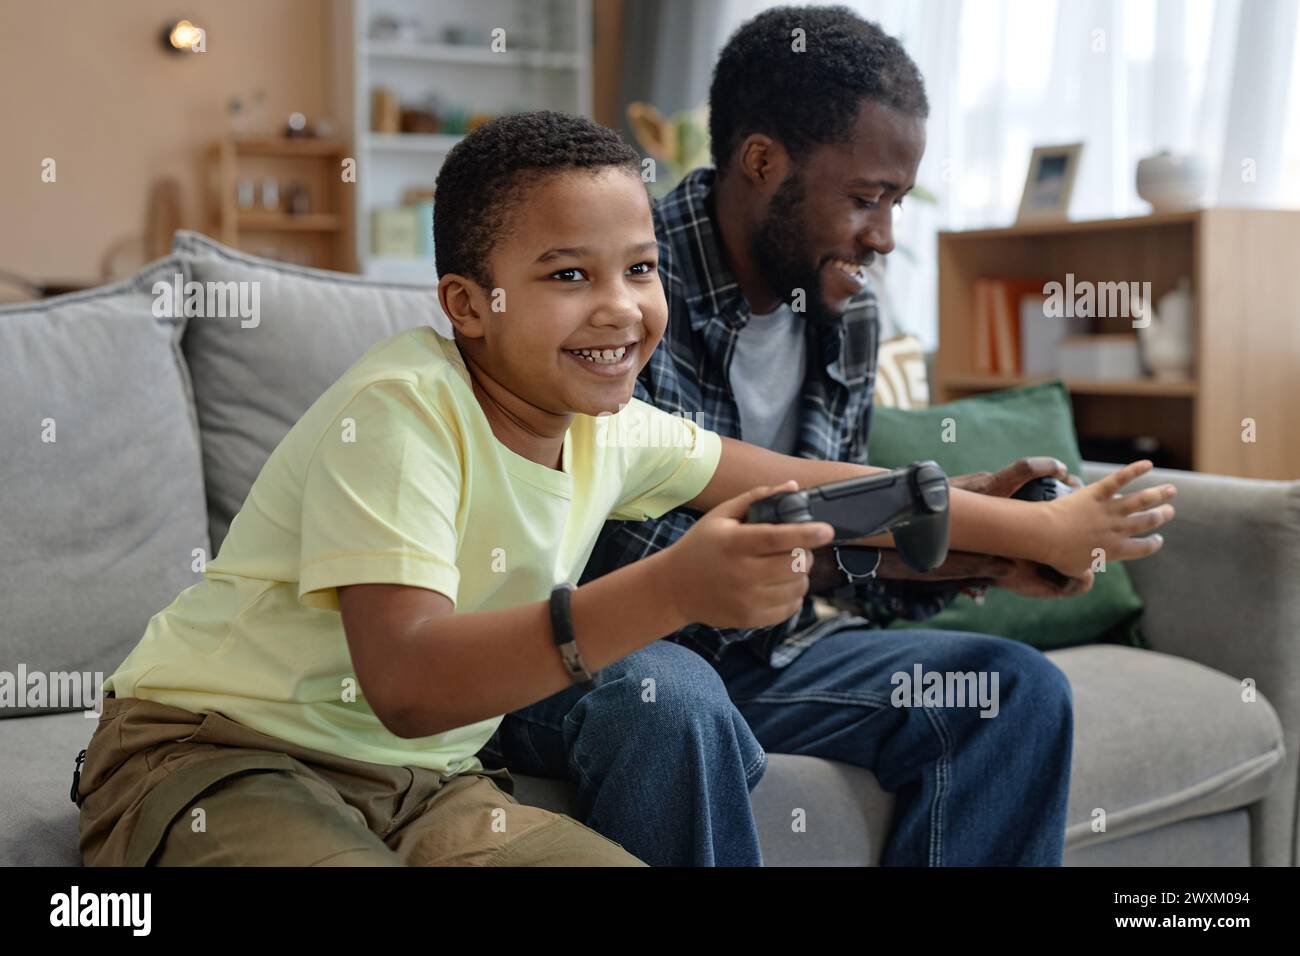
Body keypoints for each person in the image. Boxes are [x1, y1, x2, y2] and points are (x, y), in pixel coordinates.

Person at [76, 109, 1172, 868]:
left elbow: (816, 481)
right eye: (567, 276)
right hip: (219, 749)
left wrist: (1042, 522)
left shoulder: (612, 425)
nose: (622, 308)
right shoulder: (400, 409)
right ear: (468, 302)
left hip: (424, 783)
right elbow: (406, 677)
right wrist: (674, 590)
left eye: (639, 268)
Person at [480, 7, 1178, 867]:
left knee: (1013, 693)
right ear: (763, 162)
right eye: (865, 198)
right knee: (675, 695)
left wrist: (969, 551)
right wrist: (946, 515)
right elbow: (640, 555)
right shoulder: (624, 287)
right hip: (602, 647)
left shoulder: (848, 314)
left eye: (896, 201)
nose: (885, 237)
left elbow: (826, 549)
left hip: (763, 651)